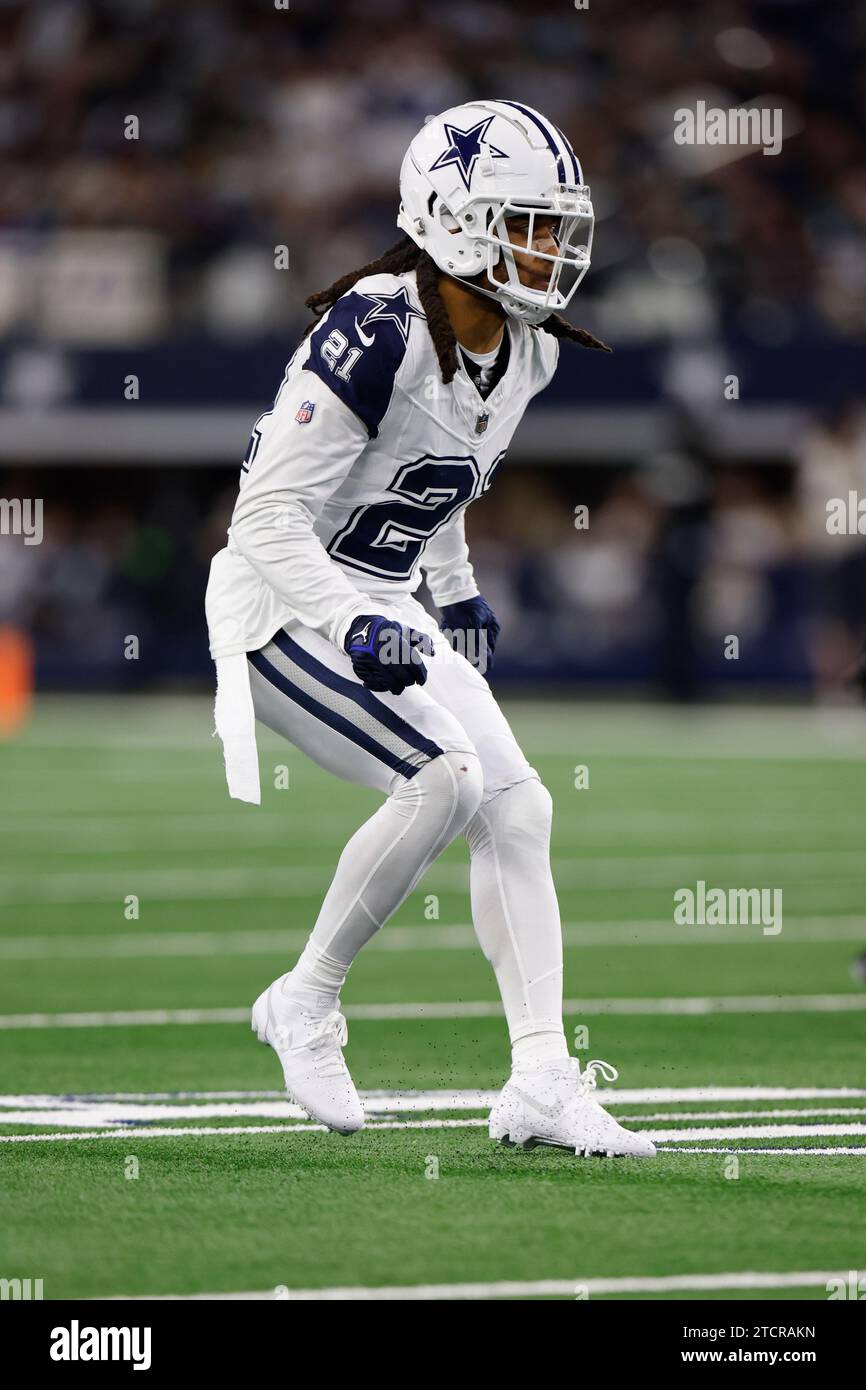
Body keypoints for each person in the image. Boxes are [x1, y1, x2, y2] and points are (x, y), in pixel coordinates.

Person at [206, 99, 655, 1158]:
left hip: (385, 603)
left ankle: (540, 1075)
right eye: (524, 222)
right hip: (281, 600)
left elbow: (436, 482)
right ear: (452, 218)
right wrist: (349, 618)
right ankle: (303, 999)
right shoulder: (376, 327)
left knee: (519, 805)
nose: (547, 248)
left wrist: (449, 586)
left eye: (556, 226)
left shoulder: (526, 352)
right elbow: (263, 517)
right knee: (443, 777)